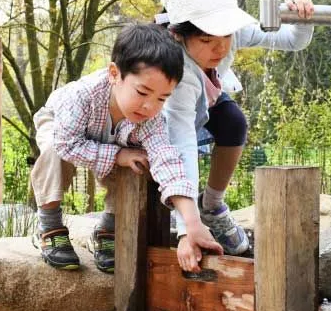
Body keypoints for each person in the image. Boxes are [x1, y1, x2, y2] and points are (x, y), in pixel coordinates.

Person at [30, 23, 223, 273]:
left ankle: (107, 228)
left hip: (110, 137)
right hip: (60, 126)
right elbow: (68, 144)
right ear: (114, 74)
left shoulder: (151, 118)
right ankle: (50, 224)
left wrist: (192, 222)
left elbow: (167, 161)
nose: (149, 107)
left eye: (162, 98)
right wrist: (117, 154)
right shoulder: (81, 96)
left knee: (140, 160)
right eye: (142, 92)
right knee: (54, 151)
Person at [156, 0, 314, 255]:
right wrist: (187, 229)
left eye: (226, 34)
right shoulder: (175, 69)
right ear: (177, 35)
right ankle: (138, 219)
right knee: (155, 161)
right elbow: (183, 146)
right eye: (206, 40)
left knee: (233, 121)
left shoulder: (230, 33)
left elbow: (292, 40)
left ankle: (212, 205)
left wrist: (300, 15)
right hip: (159, 121)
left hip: (207, 101)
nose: (221, 47)